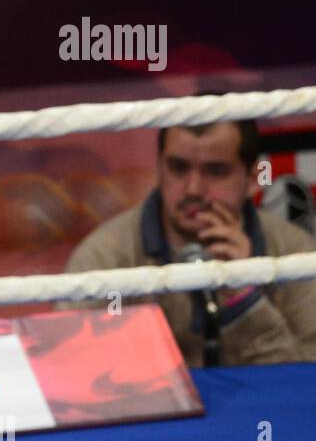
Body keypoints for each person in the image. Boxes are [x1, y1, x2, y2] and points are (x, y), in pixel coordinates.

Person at [61, 118, 316, 367]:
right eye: (178, 168)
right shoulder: (103, 258)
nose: (193, 189)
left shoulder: (296, 255)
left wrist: (246, 299)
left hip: (264, 410)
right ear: (160, 169)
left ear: (252, 179)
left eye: (216, 171)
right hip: (157, 410)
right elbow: (75, 373)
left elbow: (306, 390)